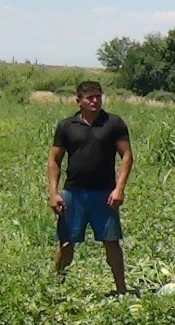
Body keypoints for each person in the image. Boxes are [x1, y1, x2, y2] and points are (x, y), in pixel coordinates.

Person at [47, 81, 134, 295]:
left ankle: (122, 290)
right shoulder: (67, 126)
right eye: (89, 97)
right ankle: (56, 289)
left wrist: (119, 189)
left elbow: (127, 156)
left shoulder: (113, 123)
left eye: (98, 96)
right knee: (66, 243)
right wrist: (54, 193)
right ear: (78, 101)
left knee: (112, 243)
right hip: (73, 194)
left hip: (105, 194)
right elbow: (54, 160)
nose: (95, 101)